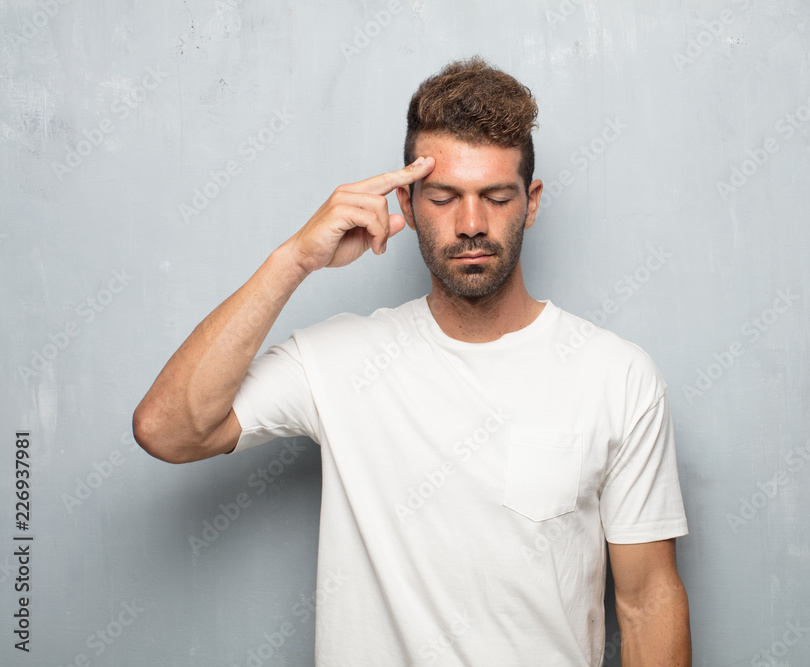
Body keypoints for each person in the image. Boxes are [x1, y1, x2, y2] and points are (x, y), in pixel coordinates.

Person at [133, 56, 691, 666]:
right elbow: (168, 431)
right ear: (406, 201)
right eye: (445, 197)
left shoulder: (616, 376)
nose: (472, 224)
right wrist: (294, 259)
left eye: (496, 197)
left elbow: (646, 600)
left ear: (530, 203)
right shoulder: (340, 361)